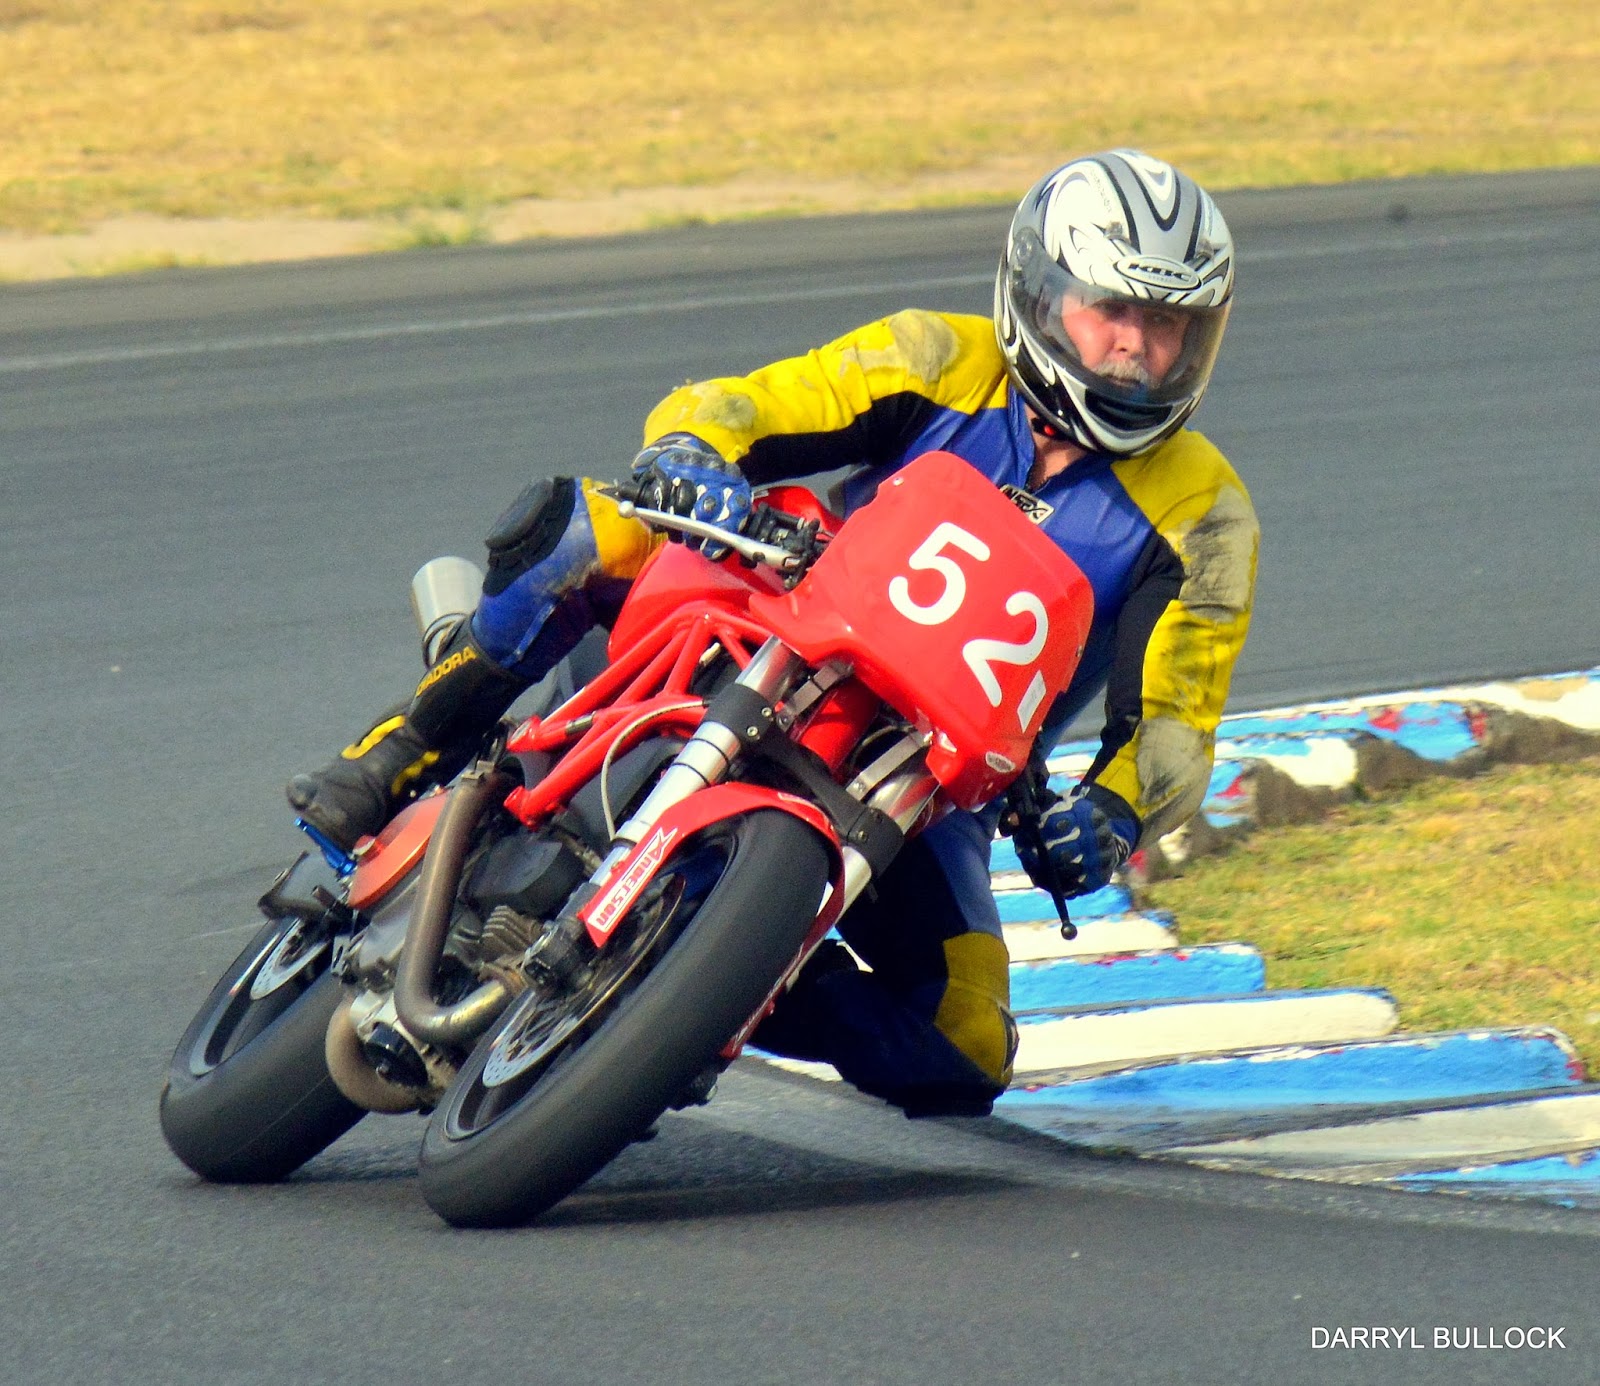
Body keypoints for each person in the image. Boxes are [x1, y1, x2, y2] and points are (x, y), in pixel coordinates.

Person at [288, 149, 1259, 1118]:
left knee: (967, 1048)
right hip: (777, 621)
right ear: (1041, 297)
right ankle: (398, 753)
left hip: (933, 781)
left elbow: (1171, 726)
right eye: (1111, 311)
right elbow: (755, 403)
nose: (1134, 347)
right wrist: (691, 450)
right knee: (591, 528)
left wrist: (1112, 816)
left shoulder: (1204, 513)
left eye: (1166, 323)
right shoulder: (938, 357)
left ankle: (713, 994)